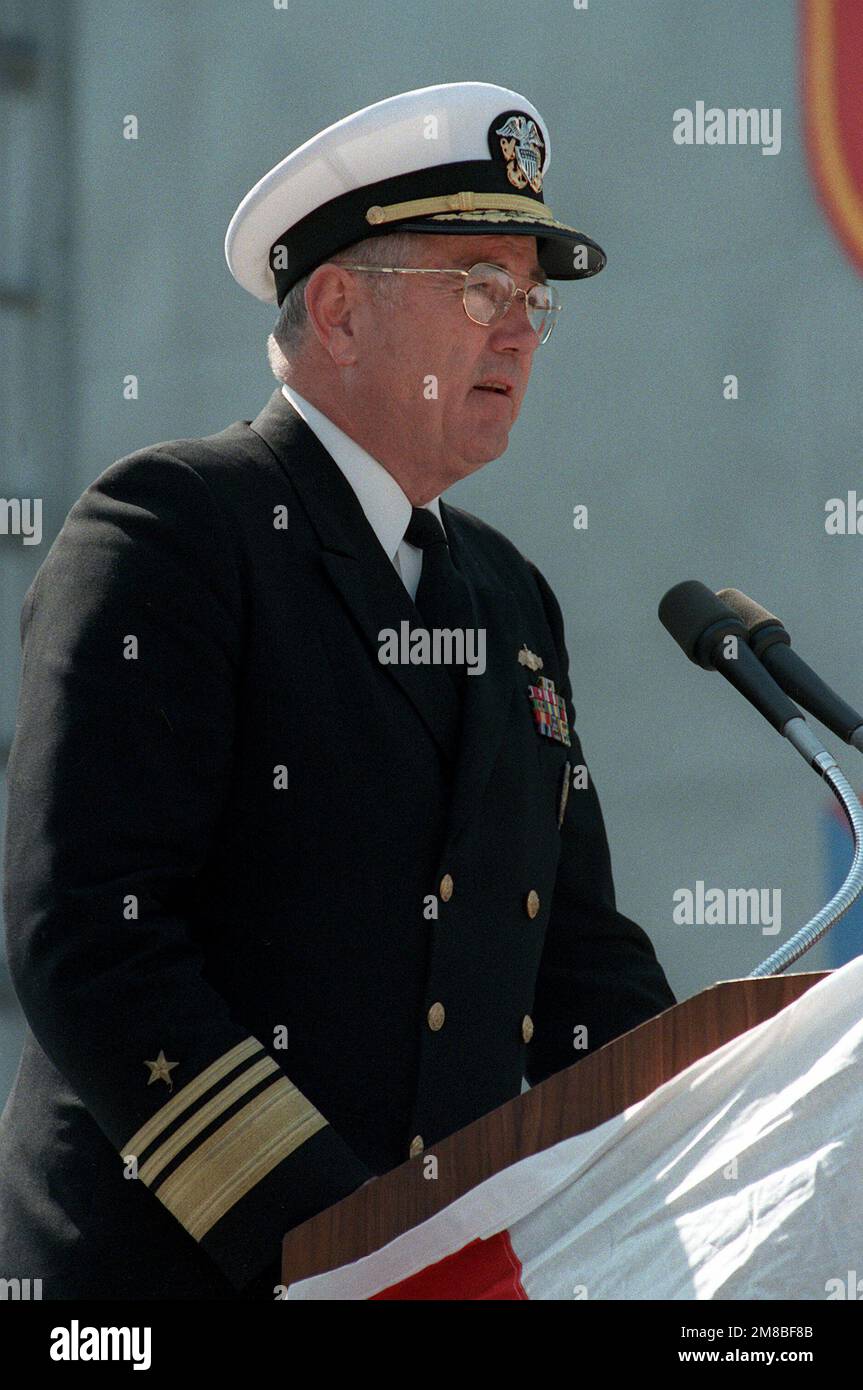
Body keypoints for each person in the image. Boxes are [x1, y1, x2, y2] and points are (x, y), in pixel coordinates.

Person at [0, 81, 675, 1300]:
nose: (519, 331)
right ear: (338, 309)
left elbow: (578, 963)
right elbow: (95, 941)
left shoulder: (508, 596)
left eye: (532, 300)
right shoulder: (171, 534)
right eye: (480, 287)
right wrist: (342, 1246)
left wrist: (705, 1147)